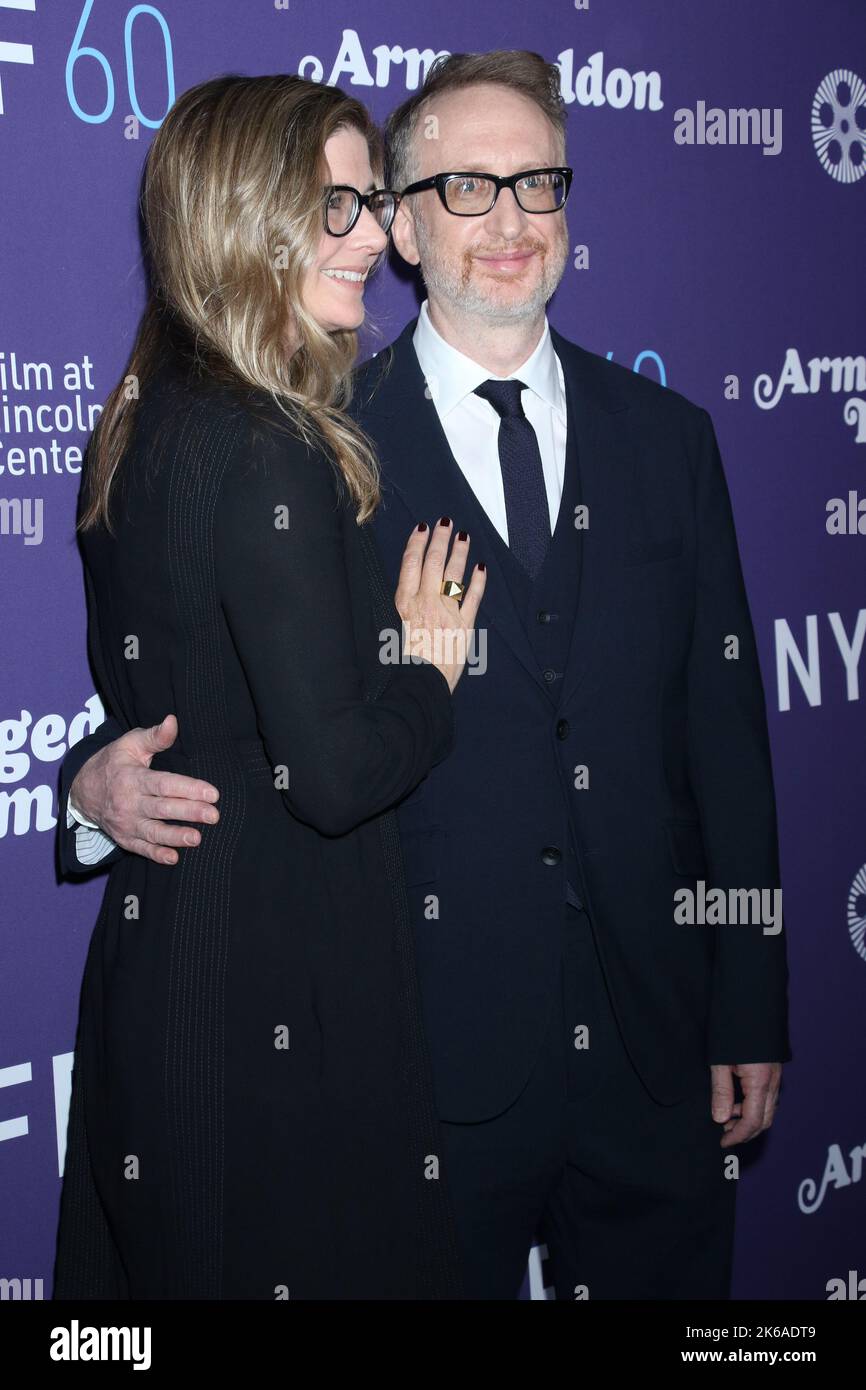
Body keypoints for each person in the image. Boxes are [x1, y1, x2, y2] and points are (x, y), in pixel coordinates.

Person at [60, 51, 790, 1301]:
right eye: (466, 187)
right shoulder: (327, 432)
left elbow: (721, 741)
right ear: (400, 225)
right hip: (415, 1065)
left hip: (651, 1046)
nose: (509, 221)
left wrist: (749, 1005)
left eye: (538, 183)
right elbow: (212, 681)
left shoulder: (670, 441)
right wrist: (92, 782)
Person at [52, 72, 486, 1301]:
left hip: (169, 977)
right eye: (332, 206)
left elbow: (180, 709)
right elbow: (336, 775)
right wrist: (427, 670)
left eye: (369, 201)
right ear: (241, 216)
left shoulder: (135, 430)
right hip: (278, 1002)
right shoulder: (266, 442)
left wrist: (85, 787)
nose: (374, 239)